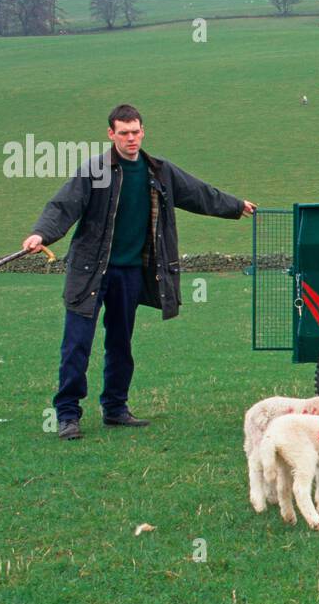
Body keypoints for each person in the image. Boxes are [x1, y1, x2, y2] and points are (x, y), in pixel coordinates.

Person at [23, 104, 256, 439]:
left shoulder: (158, 172)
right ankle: (67, 415)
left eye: (135, 132)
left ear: (142, 131)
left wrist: (235, 206)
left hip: (130, 274)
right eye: (123, 133)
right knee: (77, 344)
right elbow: (63, 206)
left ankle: (115, 409)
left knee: (121, 344)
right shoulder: (96, 170)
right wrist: (41, 234)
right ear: (111, 134)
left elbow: (198, 193)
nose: (130, 138)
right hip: (90, 271)